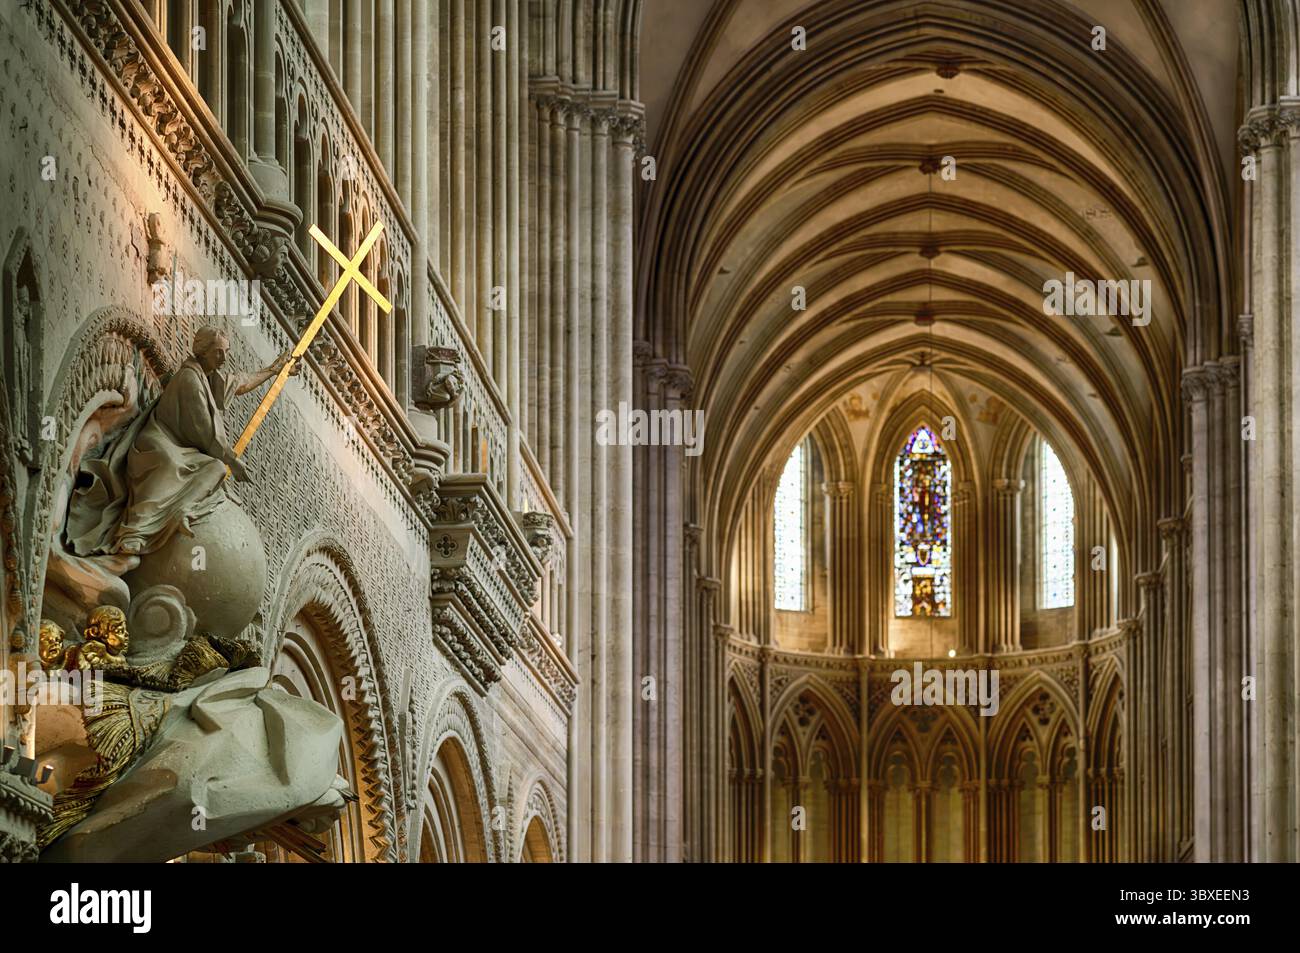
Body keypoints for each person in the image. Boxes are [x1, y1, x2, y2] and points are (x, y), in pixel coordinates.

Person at [66, 326, 295, 558]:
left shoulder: (209, 378)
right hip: (159, 443)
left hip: (182, 449)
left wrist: (272, 370)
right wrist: (233, 462)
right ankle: (133, 532)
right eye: (218, 352)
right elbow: (206, 432)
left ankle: (182, 509)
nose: (224, 358)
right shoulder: (189, 379)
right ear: (203, 351)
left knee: (213, 469)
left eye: (226, 352)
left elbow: (240, 382)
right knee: (172, 466)